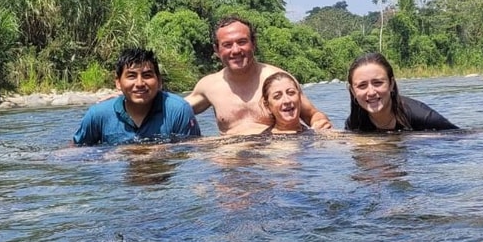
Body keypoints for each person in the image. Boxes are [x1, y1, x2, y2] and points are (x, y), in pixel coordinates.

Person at [186, 15, 333, 136]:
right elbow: (172, 110)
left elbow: (312, 114)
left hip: (272, 162)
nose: (236, 50)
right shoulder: (209, 86)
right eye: (227, 45)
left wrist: (319, 123)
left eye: (242, 42)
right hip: (231, 165)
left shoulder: (278, 80)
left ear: (253, 43)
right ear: (216, 50)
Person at [73, 47, 201, 146]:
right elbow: (77, 151)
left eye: (147, 75)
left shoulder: (179, 110)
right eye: (131, 76)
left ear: (160, 82)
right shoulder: (98, 115)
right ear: (118, 82)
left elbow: (189, 154)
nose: (139, 84)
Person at [344, 52, 460, 132]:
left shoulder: (422, 116)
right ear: (353, 91)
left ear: (391, 84)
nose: (371, 92)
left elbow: (460, 137)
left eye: (378, 83)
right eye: (362, 85)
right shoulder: (354, 123)